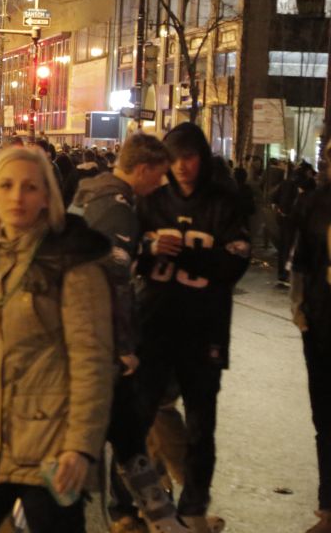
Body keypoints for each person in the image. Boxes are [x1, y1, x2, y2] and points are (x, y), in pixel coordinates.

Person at [0, 146, 115, 533]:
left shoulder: (71, 263)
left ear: (47, 197)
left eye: (30, 187)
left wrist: (80, 446)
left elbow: (92, 363)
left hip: (49, 448)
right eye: (6, 185)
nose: (17, 197)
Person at [127, 123, 250, 533]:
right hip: (155, 322)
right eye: (175, 157)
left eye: (190, 156)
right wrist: (150, 250)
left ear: (203, 157)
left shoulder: (224, 203)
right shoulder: (151, 201)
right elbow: (126, 251)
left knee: (202, 423)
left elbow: (234, 263)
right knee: (138, 417)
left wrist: (187, 259)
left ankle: (193, 506)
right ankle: (134, 505)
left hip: (204, 327)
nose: (182, 166)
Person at [68, 133, 183, 532]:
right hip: (98, 340)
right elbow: (113, 281)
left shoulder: (93, 194)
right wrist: (123, 346)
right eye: (159, 175)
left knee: (121, 433)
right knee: (107, 435)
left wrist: (145, 249)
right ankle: (143, 515)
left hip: (83, 333)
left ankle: (150, 515)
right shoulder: (119, 210)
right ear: (144, 168)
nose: (161, 184)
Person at [291, 143, 331, 533]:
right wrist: (299, 311)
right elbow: (301, 262)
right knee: (326, 418)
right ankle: (328, 507)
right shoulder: (314, 204)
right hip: (321, 325)